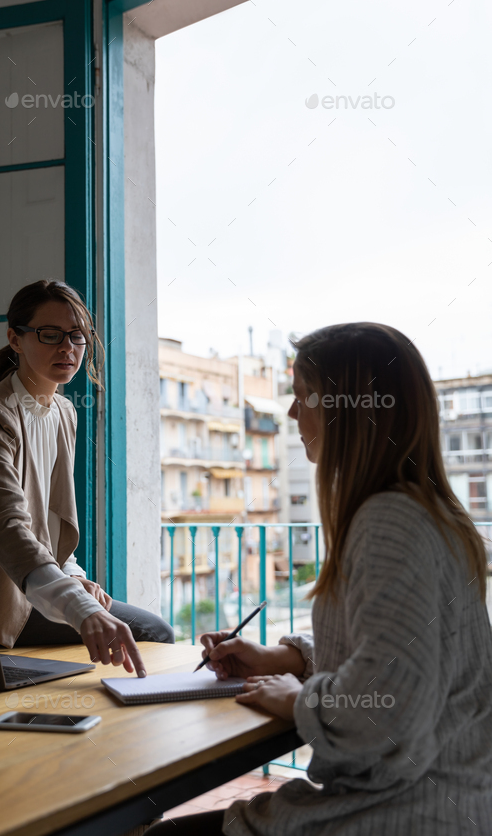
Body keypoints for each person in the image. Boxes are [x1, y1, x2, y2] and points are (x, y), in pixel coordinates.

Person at [147, 322, 492, 834]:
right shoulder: (425, 512)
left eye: (304, 396)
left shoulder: (389, 523)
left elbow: (384, 709)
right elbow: (395, 648)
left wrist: (296, 698)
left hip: (406, 813)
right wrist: (288, 657)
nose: (292, 412)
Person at [0, 279, 174, 674]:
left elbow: (54, 518)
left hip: (32, 586)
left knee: (151, 629)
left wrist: (74, 576)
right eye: (50, 334)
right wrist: (80, 608)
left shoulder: (64, 412)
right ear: (16, 339)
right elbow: (9, 528)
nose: (67, 348)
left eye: (78, 336)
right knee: (151, 632)